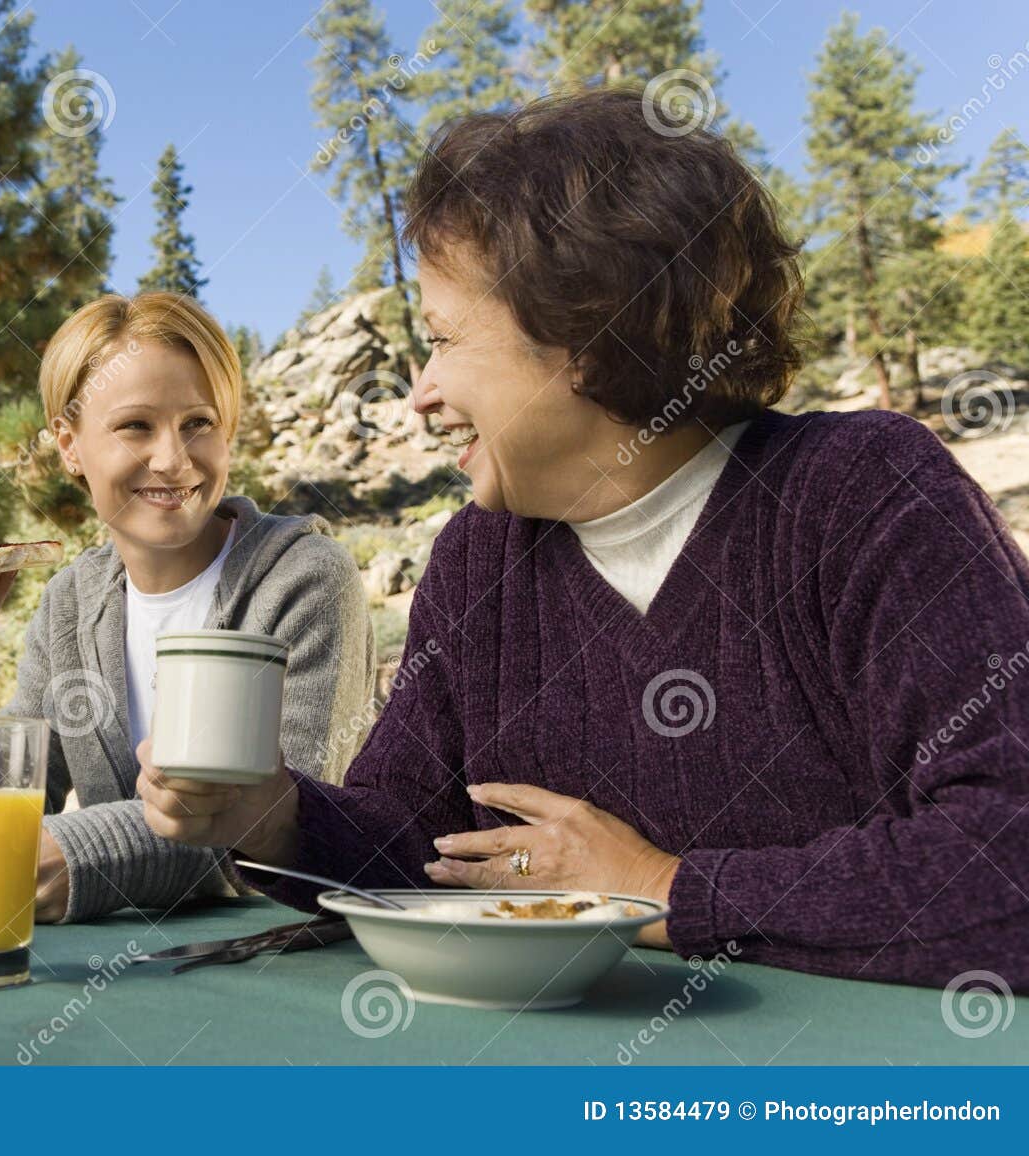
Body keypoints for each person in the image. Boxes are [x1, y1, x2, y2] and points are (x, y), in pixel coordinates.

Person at [137, 89, 1029, 989]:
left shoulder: (862, 493)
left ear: (587, 340)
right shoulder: (478, 560)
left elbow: (1007, 857)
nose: (421, 393)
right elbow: (420, 848)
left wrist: (658, 890)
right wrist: (273, 817)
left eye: (444, 340)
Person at [0, 291, 374, 924]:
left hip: (287, 954)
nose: (173, 460)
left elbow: (288, 823)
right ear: (70, 445)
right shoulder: (70, 602)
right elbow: (3, 814)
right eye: (136, 426)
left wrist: (87, 855)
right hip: (129, 969)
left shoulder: (305, 577)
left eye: (198, 423)